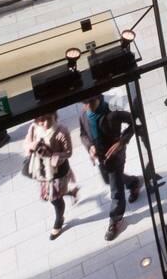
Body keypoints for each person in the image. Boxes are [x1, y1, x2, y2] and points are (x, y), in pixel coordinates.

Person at [78, 94, 141, 243]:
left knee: (116, 190)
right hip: (101, 158)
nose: (87, 106)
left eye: (90, 101)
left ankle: (116, 220)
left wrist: (122, 141)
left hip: (116, 157)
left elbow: (133, 121)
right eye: (84, 102)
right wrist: (90, 147)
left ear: (98, 97)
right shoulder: (83, 115)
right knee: (109, 180)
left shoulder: (113, 111)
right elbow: (83, 134)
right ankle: (133, 182)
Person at [23, 112, 78, 241]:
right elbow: (26, 144)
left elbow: (68, 152)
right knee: (50, 195)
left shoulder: (61, 131)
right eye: (41, 119)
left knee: (54, 199)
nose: (45, 123)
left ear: (55, 116)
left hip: (58, 172)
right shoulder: (34, 128)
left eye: (48, 118)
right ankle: (70, 192)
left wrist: (52, 155)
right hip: (41, 171)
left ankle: (59, 220)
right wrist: (33, 146)